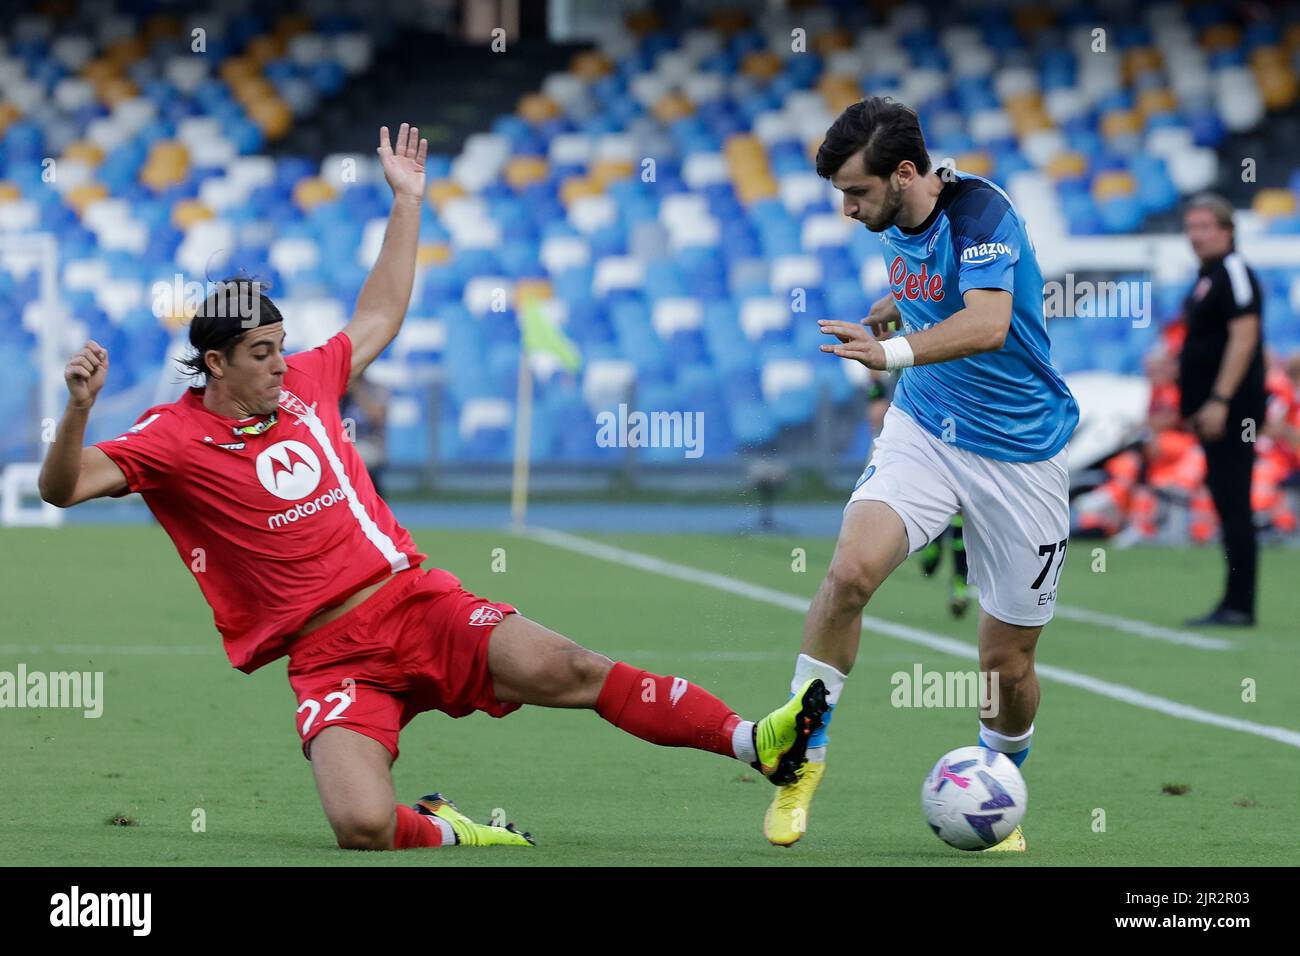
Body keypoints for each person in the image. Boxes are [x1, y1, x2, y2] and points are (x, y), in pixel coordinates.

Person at [38, 123, 827, 851]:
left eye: (282, 347)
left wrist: (408, 202)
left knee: (572, 668)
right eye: (261, 352)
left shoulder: (308, 382)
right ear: (216, 363)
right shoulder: (168, 438)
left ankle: (755, 741)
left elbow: (379, 312)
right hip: (327, 656)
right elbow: (63, 488)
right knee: (361, 825)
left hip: (417, 604)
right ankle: (455, 831)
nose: (282, 362)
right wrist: (77, 411)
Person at [763, 97, 1078, 851]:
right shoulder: (894, 216)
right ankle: (801, 756)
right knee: (848, 576)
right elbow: (929, 288)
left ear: (906, 174)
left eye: (857, 192)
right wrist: (894, 312)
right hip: (926, 431)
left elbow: (990, 323)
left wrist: (891, 352)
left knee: (1006, 663)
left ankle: (998, 783)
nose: (846, 209)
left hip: (1021, 454)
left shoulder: (983, 216)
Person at [1178, 193, 1267, 627]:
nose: (1196, 236)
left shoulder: (1233, 270)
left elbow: (1245, 335)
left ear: (1228, 231)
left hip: (1234, 412)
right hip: (1216, 411)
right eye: (1191, 227)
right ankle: (1234, 600)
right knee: (1226, 502)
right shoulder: (1207, 276)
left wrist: (1219, 400)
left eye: (1205, 227)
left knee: (1235, 505)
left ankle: (1240, 604)